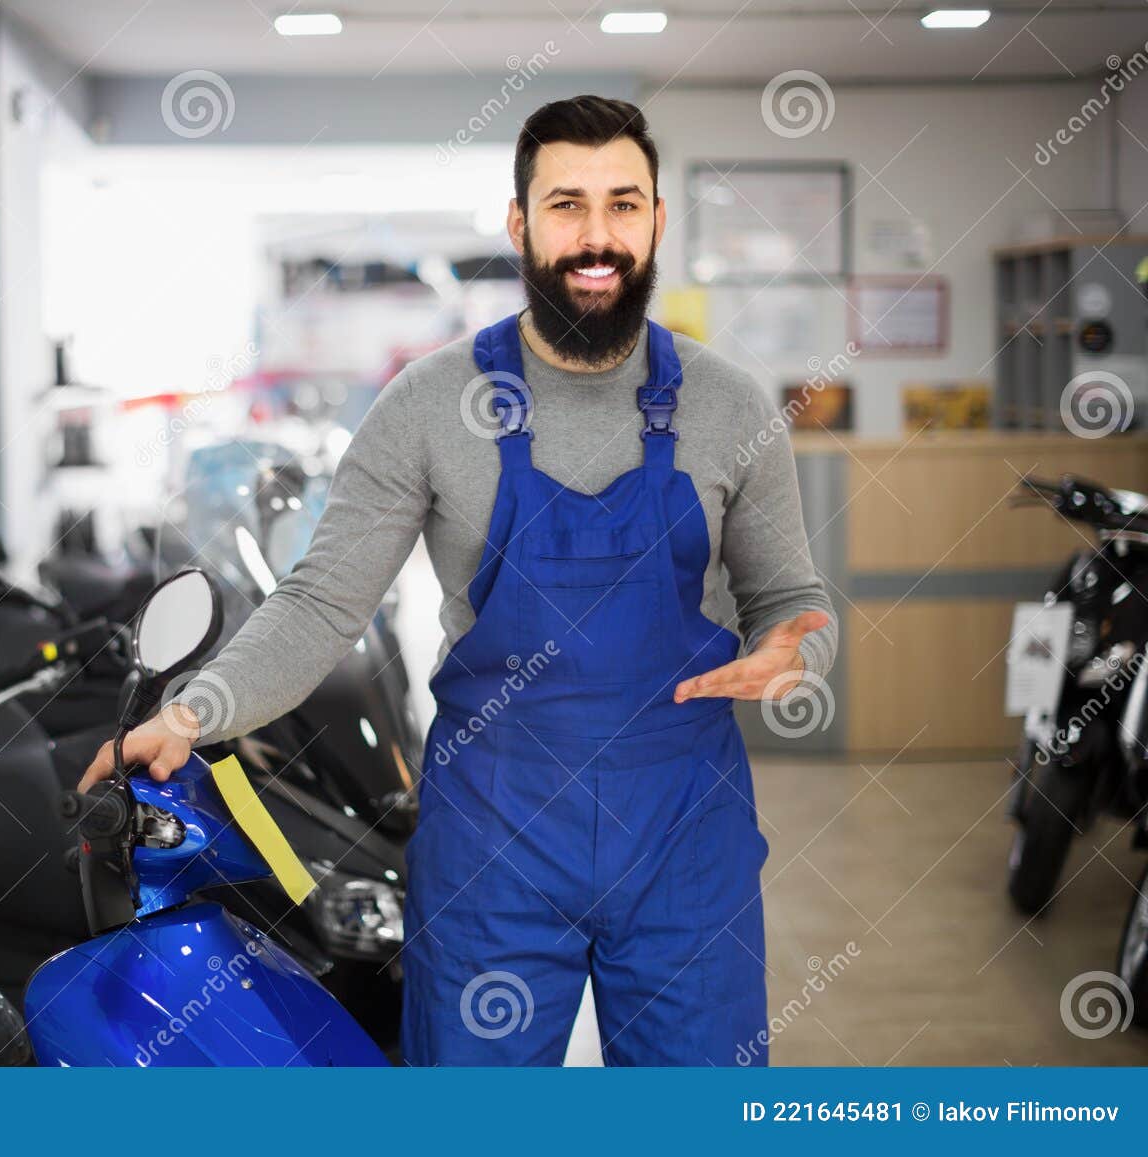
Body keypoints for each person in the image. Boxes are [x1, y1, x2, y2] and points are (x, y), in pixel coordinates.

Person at [81, 94, 837, 1066]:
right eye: (567, 204)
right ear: (519, 222)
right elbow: (320, 601)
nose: (596, 236)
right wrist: (188, 713)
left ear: (656, 219)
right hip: (495, 840)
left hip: (684, 835)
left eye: (624, 204)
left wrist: (790, 650)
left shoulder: (730, 404)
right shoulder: (430, 405)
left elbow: (791, 602)